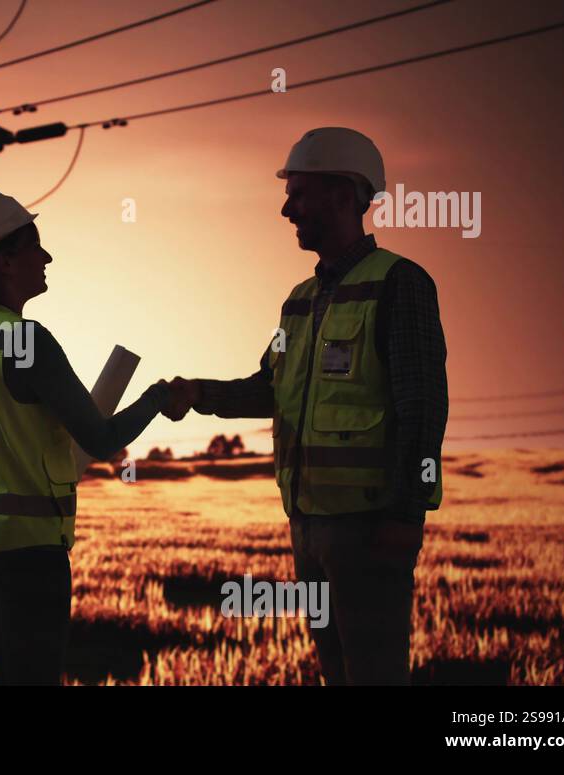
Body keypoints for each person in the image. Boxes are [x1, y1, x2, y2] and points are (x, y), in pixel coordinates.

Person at [170, 127, 448, 685]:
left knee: (374, 675)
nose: (286, 208)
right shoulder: (297, 302)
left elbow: (422, 406)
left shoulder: (400, 284)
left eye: (298, 194)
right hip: (308, 526)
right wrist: (199, 393)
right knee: (337, 674)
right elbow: (270, 389)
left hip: (369, 528)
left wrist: (405, 515)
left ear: (344, 196)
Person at [0, 190, 188, 686]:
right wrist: (157, 398)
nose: (46, 257)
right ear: (3, 261)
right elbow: (101, 438)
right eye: (34, 247)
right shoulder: (29, 341)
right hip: (32, 554)